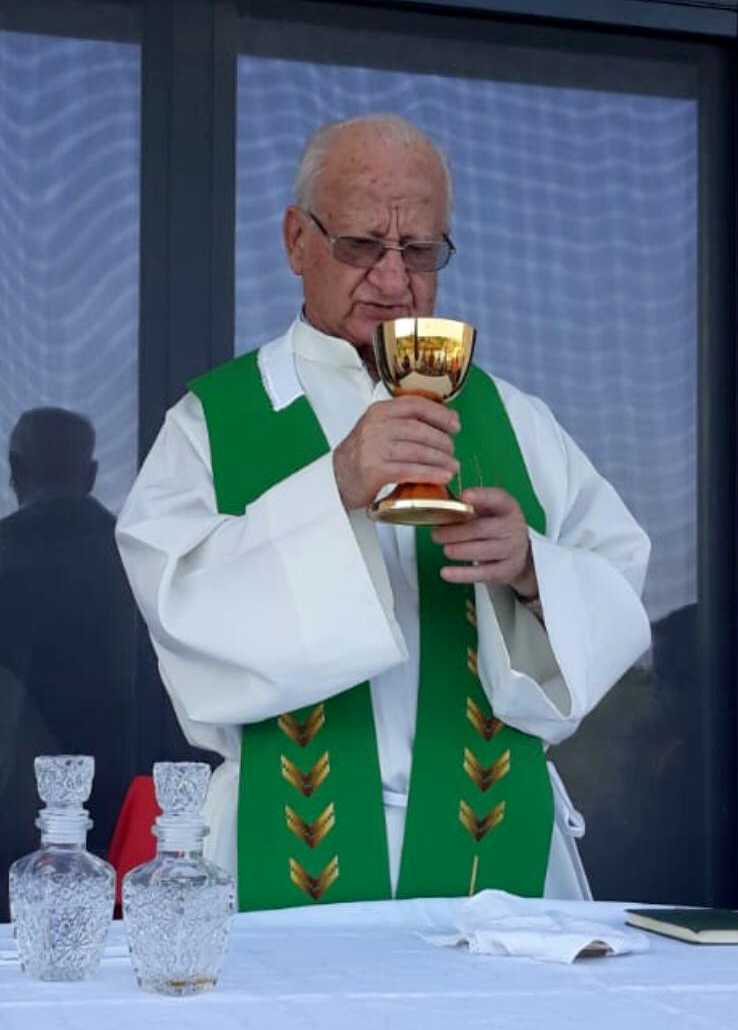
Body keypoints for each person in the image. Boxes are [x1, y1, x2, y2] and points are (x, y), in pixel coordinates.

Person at [116, 114, 651, 909]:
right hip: (279, 837)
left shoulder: (512, 419)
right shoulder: (215, 422)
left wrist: (532, 568)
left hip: (496, 855)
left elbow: (615, 583)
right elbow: (176, 601)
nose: (394, 280)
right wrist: (333, 486)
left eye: (420, 251)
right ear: (297, 242)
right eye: (362, 245)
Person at [0, 408, 136, 858]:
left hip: (17, 802)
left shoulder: (5, 553)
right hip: (125, 783)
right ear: (91, 475)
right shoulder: (135, 556)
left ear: (15, 468)